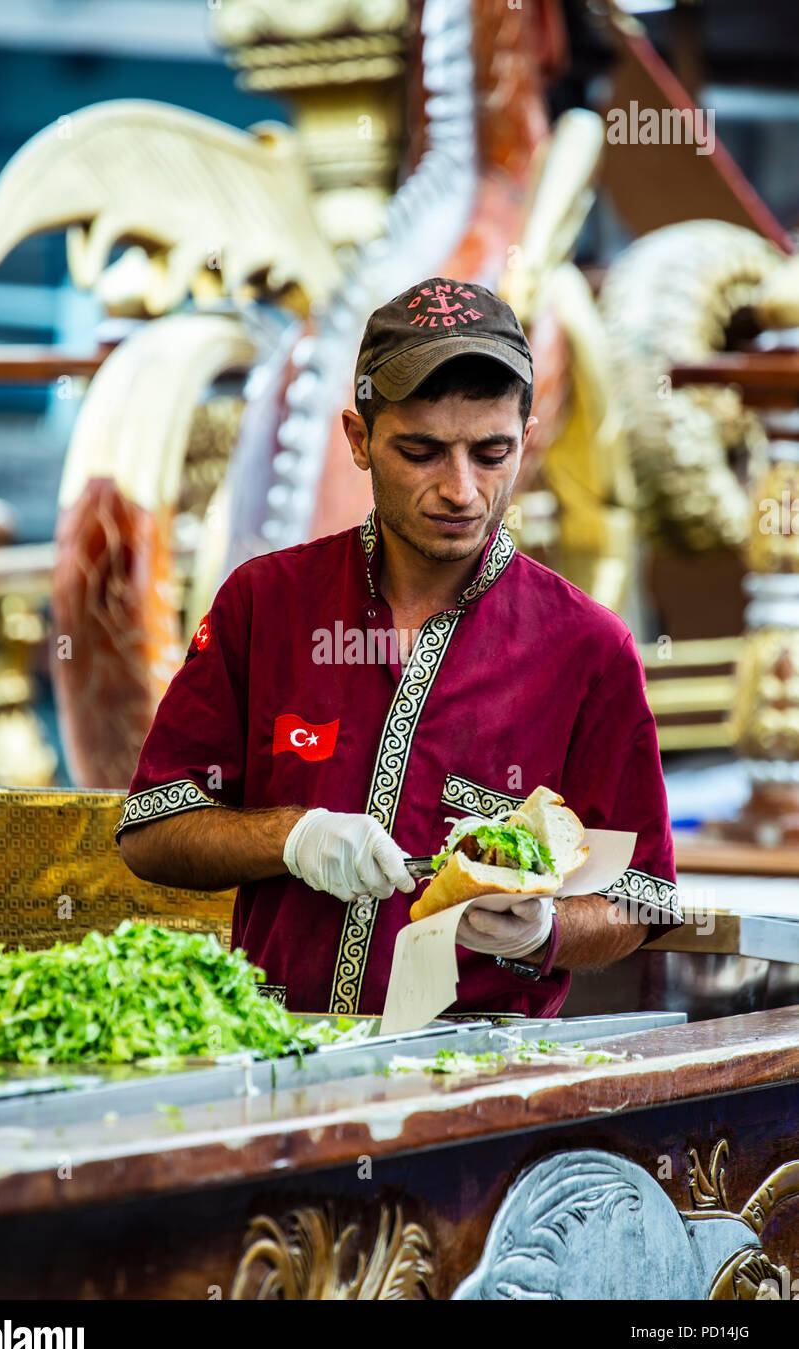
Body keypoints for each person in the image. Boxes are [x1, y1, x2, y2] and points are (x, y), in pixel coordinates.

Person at [118, 278, 681, 1019]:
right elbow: (153, 828)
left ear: (527, 438)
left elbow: (639, 900)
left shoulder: (588, 649)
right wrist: (293, 836)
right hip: (280, 1055)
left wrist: (542, 931)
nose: (462, 490)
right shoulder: (265, 604)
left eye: (492, 453)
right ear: (358, 439)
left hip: (483, 1078)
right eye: (421, 451)